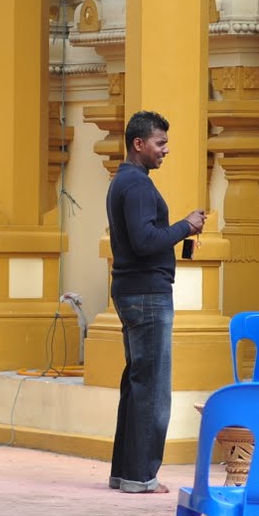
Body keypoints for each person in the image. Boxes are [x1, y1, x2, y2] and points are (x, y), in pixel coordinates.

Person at [105, 110, 205, 495]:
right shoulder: (137, 186)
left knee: (136, 384)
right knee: (152, 388)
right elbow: (146, 241)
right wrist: (185, 226)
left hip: (133, 291)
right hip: (147, 293)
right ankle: (142, 475)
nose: (165, 150)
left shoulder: (125, 182)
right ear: (138, 144)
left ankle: (124, 471)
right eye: (160, 143)